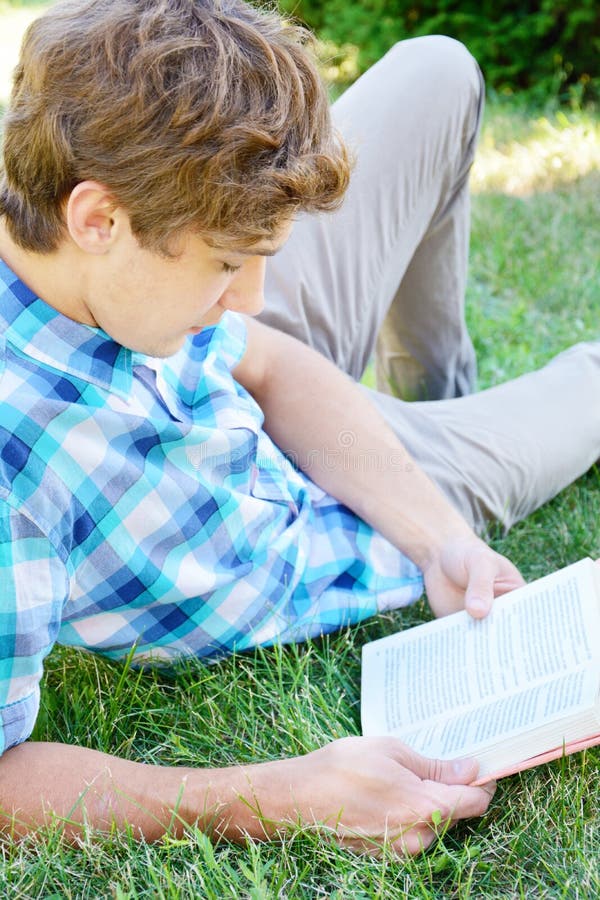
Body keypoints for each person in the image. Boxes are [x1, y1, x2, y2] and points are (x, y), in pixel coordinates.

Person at [0, 0, 598, 857]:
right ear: (97, 219)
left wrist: (437, 539)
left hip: (325, 437)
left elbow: (270, 361)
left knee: (437, 71)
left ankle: (437, 391)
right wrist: (272, 797)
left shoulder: (119, 271)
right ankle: (457, 435)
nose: (250, 299)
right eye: (230, 263)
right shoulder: (15, 459)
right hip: (318, 525)